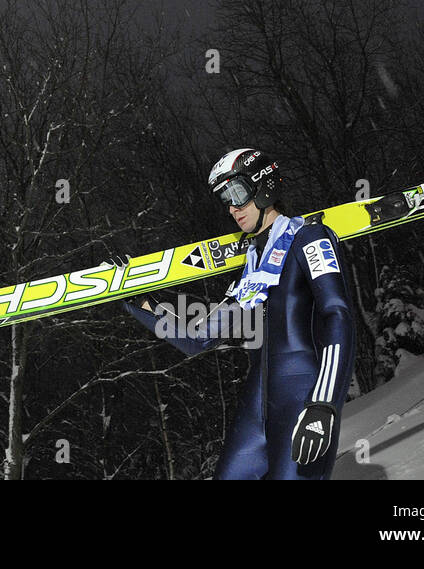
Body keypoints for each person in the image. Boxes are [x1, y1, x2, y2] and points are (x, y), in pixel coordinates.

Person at [122, 148, 355, 479]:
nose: (231, 207)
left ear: (263, 187)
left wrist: (324, 403)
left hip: (302, 400)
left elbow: (338, 315)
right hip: (256, 409)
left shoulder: (309, 237)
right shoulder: (251, 271)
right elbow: (197, 338)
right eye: (224, 199)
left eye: (236, 193)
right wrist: (134, 297)